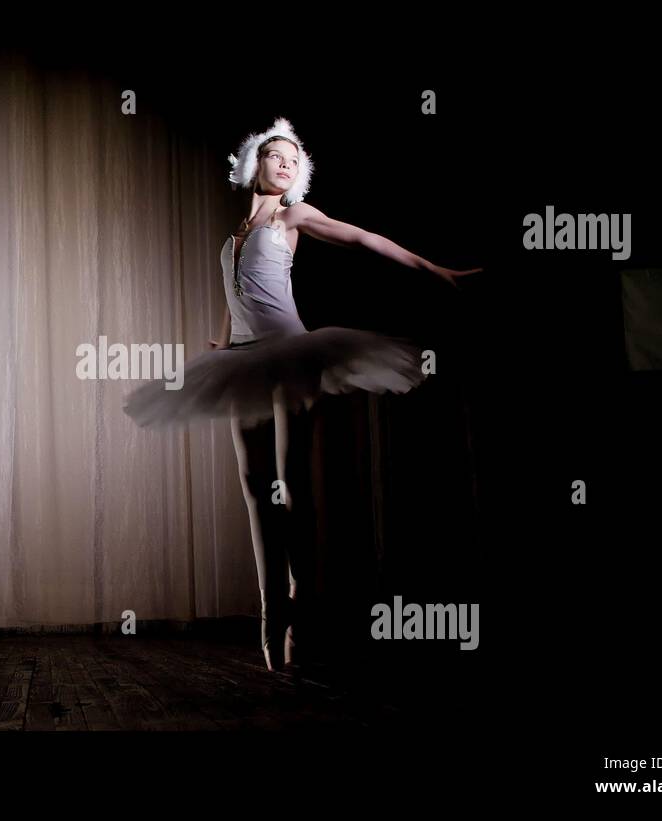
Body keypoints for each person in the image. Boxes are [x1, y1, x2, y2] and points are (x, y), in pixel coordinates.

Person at [123, 118, 480, 671]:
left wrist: (433, 268)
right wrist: (221, 340)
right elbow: (235, 293)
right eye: (274, 154)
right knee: (254, 490)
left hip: (290, 353)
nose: (285, 163)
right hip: (241, 359)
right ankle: (271, 619)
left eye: (293, 158)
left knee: (291, 487)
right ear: (252, 165)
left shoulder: (295, 216)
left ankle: (304, 610)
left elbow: (364, 237)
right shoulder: (233, 233)